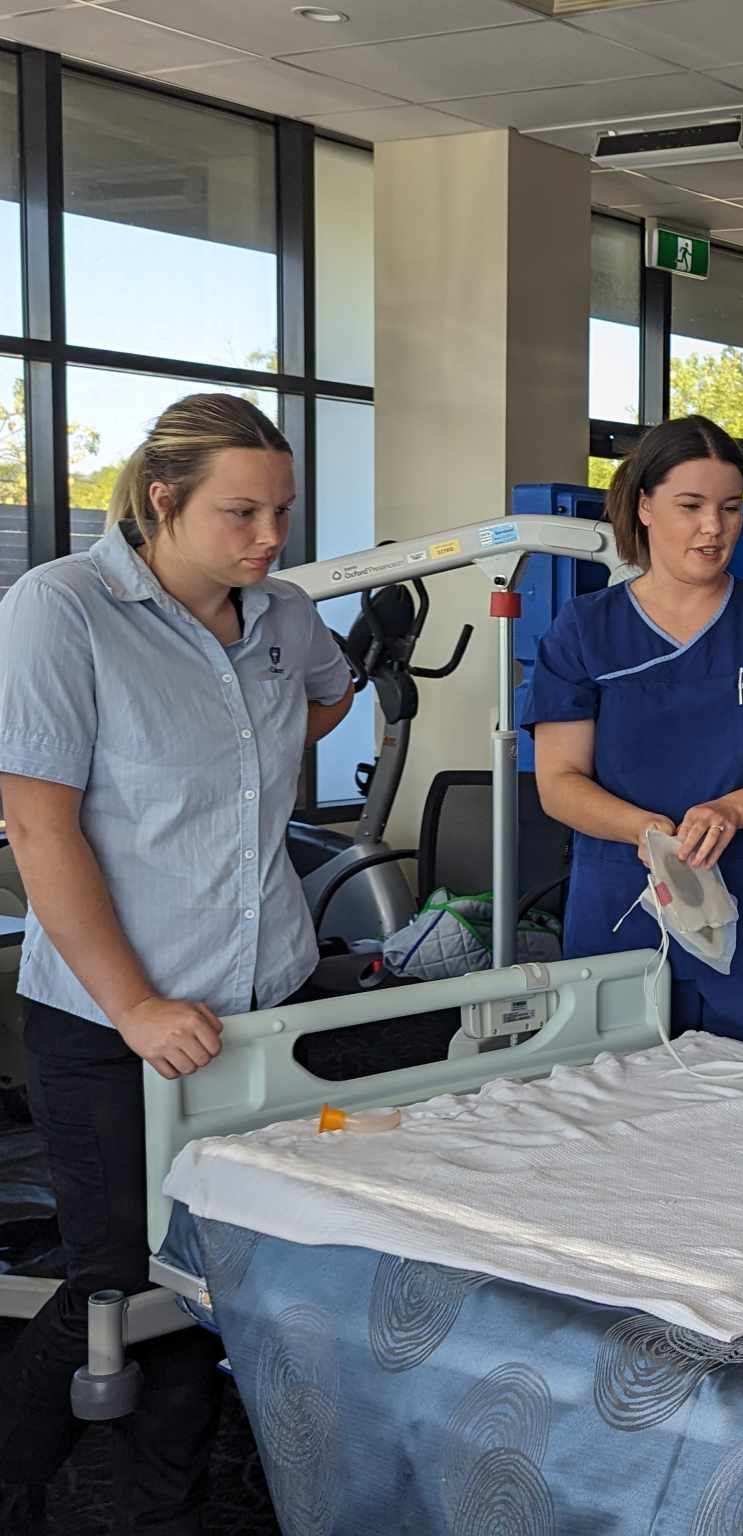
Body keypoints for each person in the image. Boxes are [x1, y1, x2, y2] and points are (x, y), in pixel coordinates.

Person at [0, 395, 354, 1534]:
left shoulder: (284, 615)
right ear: (164, 499)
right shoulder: (63, 609)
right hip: (113, 1023)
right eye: (241, 512)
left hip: (264, 1011)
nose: (269, 538)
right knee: (119, 1280)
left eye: (281, 513)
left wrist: (244, 770)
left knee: (225, 1277)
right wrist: (138, 1003)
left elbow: (329, 696)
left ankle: (166, 1505)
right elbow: (38, 827)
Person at [524, 416, 743, 1058]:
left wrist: (733, 810)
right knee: (612, 1114)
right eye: (691, 506)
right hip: (623, 909)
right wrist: (644, 831)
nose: (714, 527)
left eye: (730, 508)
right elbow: (558, 782)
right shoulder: (586, 629)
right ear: (644, 505)